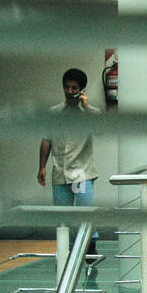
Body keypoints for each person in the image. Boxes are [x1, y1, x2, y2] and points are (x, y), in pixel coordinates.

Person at [38, 67, 102, 259]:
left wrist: (87, 107)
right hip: (60, 174)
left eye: (74, 88)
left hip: (81, 174)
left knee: (85, 212)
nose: (69, 92)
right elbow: (46, 139)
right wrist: (41, 166)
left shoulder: (91, 113)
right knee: (63, 218)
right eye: (66, 87)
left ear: (81, 90)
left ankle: (90, 245)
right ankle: (68, 253)